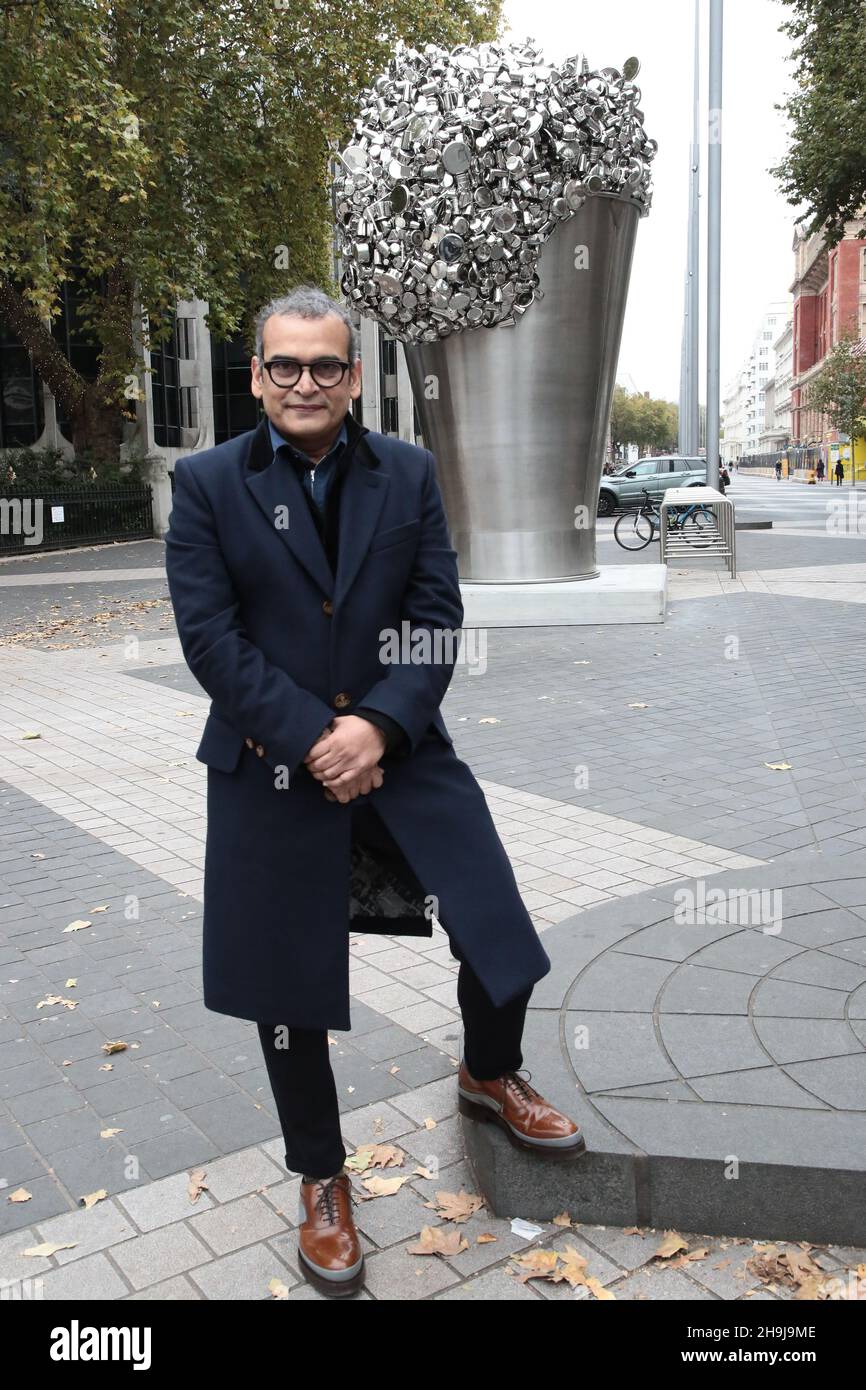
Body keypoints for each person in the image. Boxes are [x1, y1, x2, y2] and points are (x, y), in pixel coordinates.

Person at [164, 285, 585, 1298]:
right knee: (286, 991)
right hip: (271, 760)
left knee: (499, 934)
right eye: (283, 366)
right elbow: (210, 640)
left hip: (402, 747)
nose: (304, 382)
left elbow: (436, 615)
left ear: (354, 377)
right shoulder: (208, 483)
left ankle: (488, 1071)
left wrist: (377, 727)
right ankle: (320, 1178)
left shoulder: (406, 473)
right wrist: (319, 737)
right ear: (257, 376)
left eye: (324, 366)